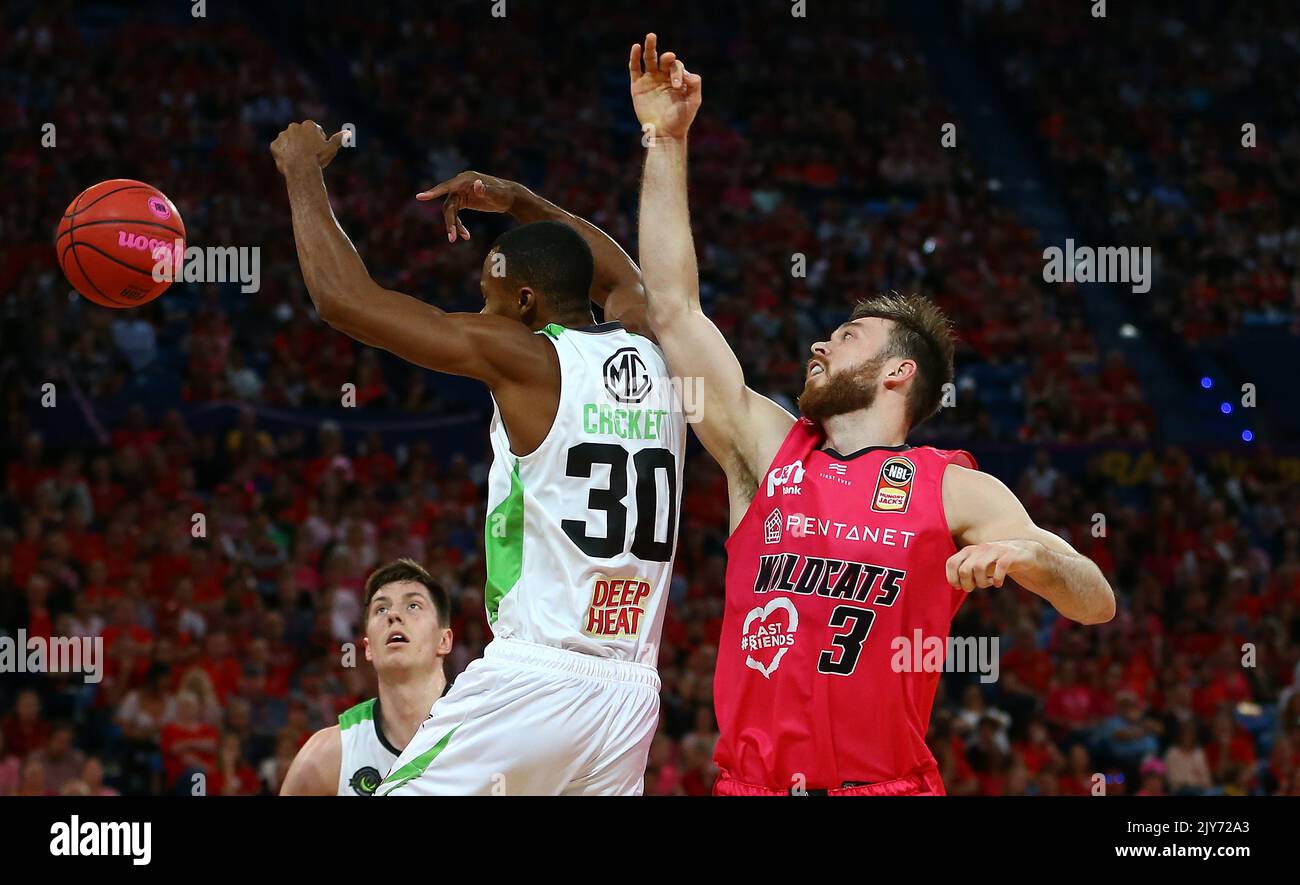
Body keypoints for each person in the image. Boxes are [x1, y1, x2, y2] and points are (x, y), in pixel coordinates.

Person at [628, 32, 1115, 796]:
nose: (821, 344)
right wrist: (665, 137)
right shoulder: (766, 448)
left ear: (898, 372)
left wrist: (1031, 558)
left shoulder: (951, 488)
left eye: (847, 335)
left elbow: (1094, 599)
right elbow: (675, 309)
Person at [271, 126, 686, 795]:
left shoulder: (528, 358)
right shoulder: (652, 342)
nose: (481, 312)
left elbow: (343, 301)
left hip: (536, 680)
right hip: (631, 694)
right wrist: (520, 200)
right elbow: (620, 274)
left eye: (491, 301)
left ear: (523, 303)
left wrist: (299, 173)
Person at [281, 559, 452, 796]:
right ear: (369, 648)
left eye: (413, 605)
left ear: (444, 640)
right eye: (381, 609)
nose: (393, 615)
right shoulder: (327, 757)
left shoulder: (486, 733)